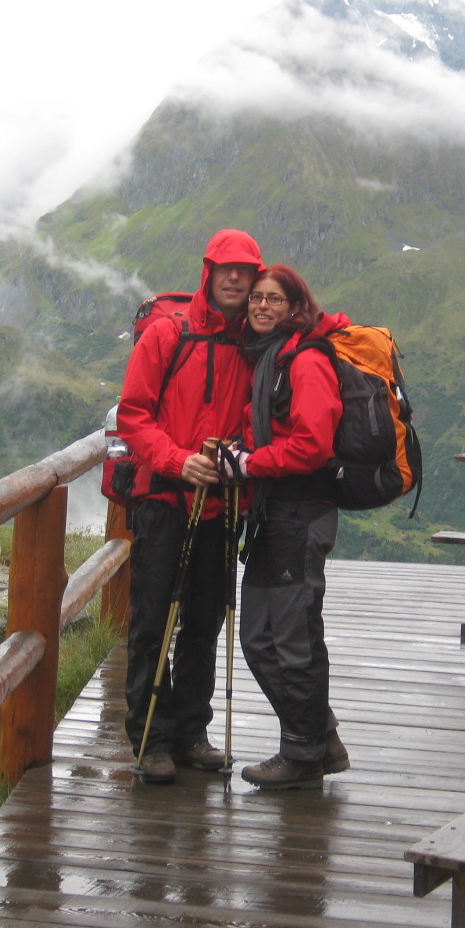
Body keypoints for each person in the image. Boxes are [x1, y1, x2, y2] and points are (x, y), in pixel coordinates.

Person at [116, 229, 260, 785]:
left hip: (222, 506)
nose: (233, 278)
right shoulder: (165, 336)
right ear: (208, 271)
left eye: (244, 271)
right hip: (165, 500)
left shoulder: (255, 343)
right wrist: (178, 461)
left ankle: (192, 733)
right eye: (225, 268)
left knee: (204, 621)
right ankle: (150, 736)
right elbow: (133, 415)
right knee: (154, 619)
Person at [220, 264, 350, 790]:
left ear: (297, 306)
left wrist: (250, 464)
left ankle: (301, 756)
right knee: (258, 638)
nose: (261, 306)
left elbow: (313, 444)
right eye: (255, 298)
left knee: (293, 639)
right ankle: (322, 739)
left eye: (274, 299)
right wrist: (242, 452)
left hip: (301, 513)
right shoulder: (269, 360)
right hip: (274, 516)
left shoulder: (306, 360)